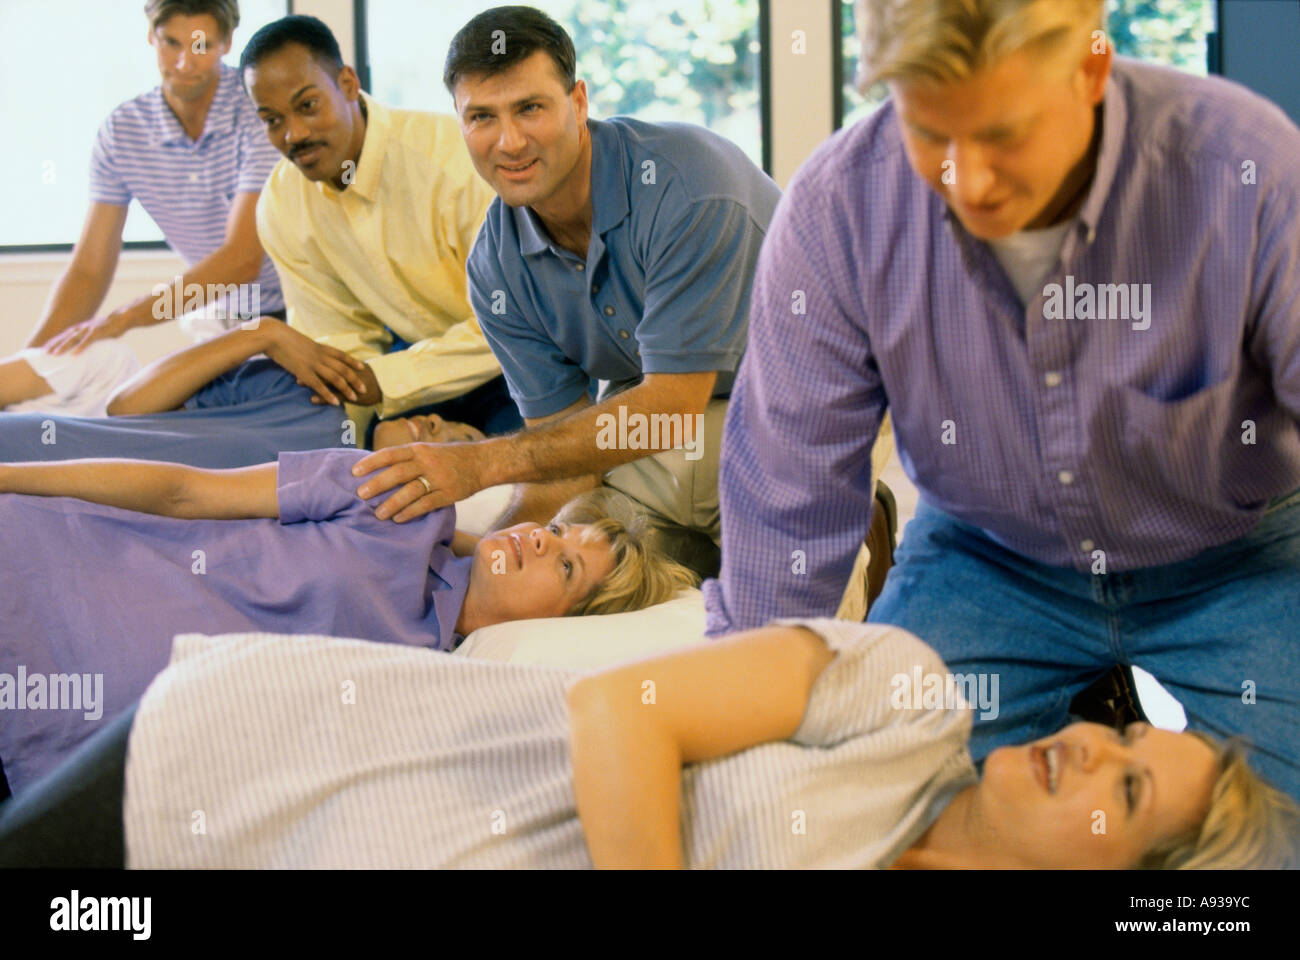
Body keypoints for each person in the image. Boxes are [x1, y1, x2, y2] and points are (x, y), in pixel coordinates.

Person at [705, 0, 1300, 801]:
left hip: (1238, 554)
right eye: (930, 135)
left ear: (1090, 68)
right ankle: (1087, 708)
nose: (970, 182)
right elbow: (788, 509)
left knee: (1270, 843)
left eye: (1003, 135)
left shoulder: (1248, 169)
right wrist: (740, 739)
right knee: (880, 808)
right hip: (990, 556)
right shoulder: (838, 210)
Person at [1, 619, 1294, 868]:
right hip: (268, 768)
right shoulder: (906, 709)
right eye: (1120, 732)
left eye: (1128, 790)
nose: (1084, 741)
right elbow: (618, 709)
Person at [349, 6, 782, 577]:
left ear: (578, 103)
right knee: (578, 550)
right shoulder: (496, 270)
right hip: (673, 405)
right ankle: (708, 562)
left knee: (688, 470)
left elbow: (670, 414)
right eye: (482, 117)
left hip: (804, 386)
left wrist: (478, 465)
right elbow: (565, 465)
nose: (509, 141)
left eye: (530, 108)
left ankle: (852, 523)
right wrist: (478, 568)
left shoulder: (687, 187)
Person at [0, 450, 696, 795]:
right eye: (554, 530)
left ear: (566, 625)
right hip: (41, 571)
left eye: (567, 567)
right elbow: (184, 490)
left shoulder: (426, 680)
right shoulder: (401, 502)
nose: (541, 539)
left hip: (62, 737)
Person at [240, 15, 519, 440]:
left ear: (348, 84)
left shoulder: (452, 162)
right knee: (370, 469)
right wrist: (328, 443)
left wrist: (384, 381)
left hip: (523, 360)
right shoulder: (282, 204)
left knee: (527, 483)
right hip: (412, 370)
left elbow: (516, 316)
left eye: (307, 105)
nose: (293, 133)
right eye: (272, 119)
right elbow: (338, 340)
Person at [9, 0, 286, 416]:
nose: (182, 62)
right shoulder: (123, 132)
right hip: (221, 318)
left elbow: (241, 262)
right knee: (123, 394)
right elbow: (88, 270)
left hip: (298, 309)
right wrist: (32, 369)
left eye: (200, 46)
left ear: (227, 43)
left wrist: (124, 318)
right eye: (170, 43)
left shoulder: (258, 115)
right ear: (150, 36)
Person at [0, 318, 482, 468]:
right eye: (448, 419)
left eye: (455, 441)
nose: (436, 423)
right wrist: (261, 334)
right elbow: (126, 406)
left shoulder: (346, 505)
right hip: (43, 450)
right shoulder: (312, 393)